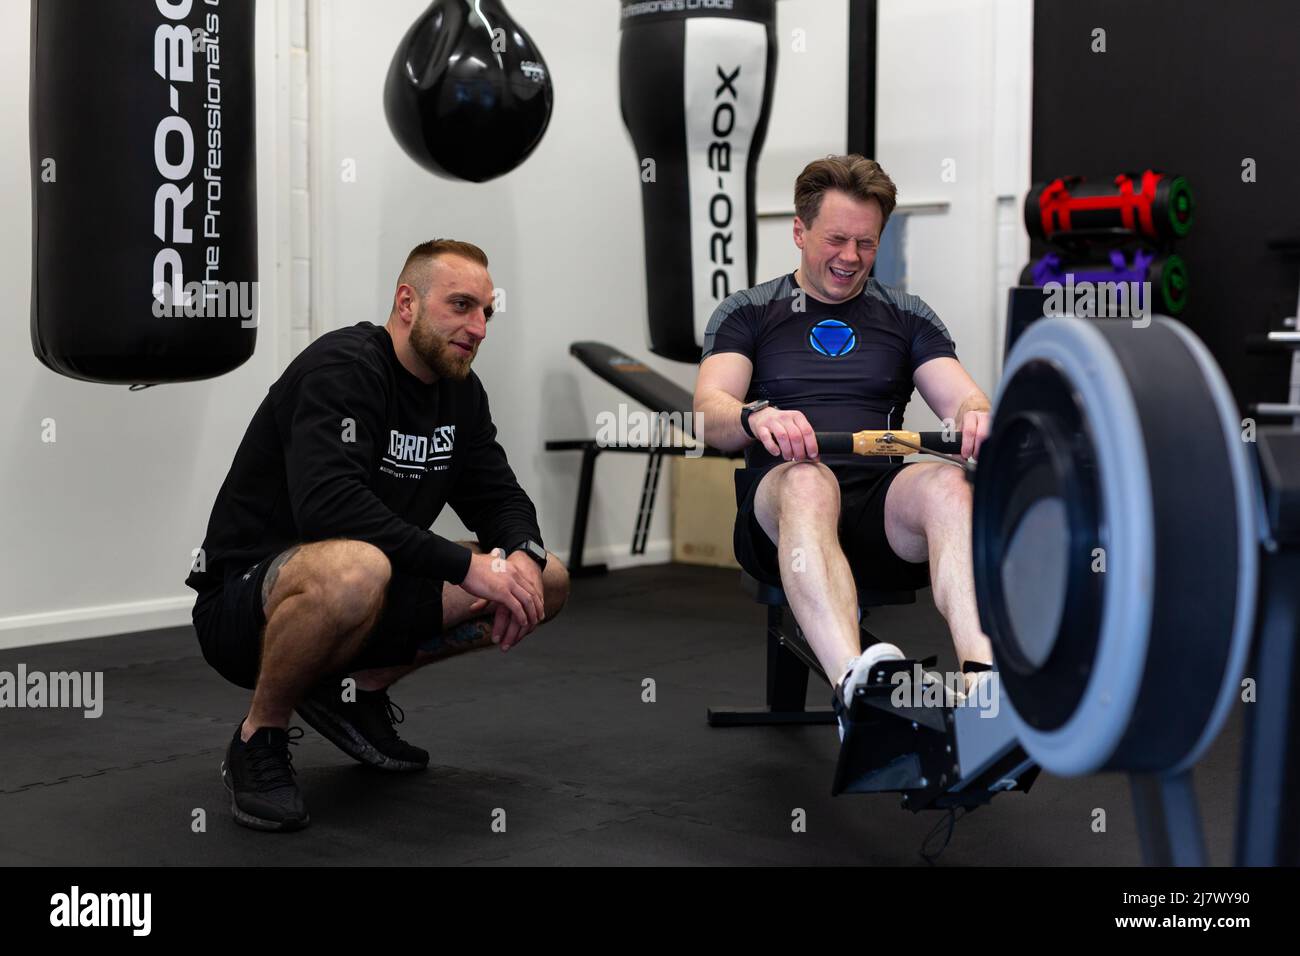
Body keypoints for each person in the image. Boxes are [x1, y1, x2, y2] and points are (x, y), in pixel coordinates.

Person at [186, 239, 569, 831]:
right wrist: (466, 567)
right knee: (356, 567)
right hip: (248, 604)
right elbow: (329, 509)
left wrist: (520, 553)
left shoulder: (460, 392)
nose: (478, 328)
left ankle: (356, 695)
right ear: (407, 302)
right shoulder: (343, 369)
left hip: (374, 591)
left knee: (547, 578)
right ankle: (258, 736)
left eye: (487, 312)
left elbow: (499, 496)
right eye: (462, 305)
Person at [693, 155, 993, 731]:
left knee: (951, 483)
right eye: (836, 238)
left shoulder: (905, 315)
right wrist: (755, 417)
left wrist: (976, 415)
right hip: (782, 509)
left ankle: (985, 685)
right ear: (800, 231)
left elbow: (963, 399)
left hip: (881, 516)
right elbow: (709, 413)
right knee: (809, 480)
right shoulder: (749, 312)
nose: (850, 258)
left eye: (867, 243)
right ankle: (857, 693)